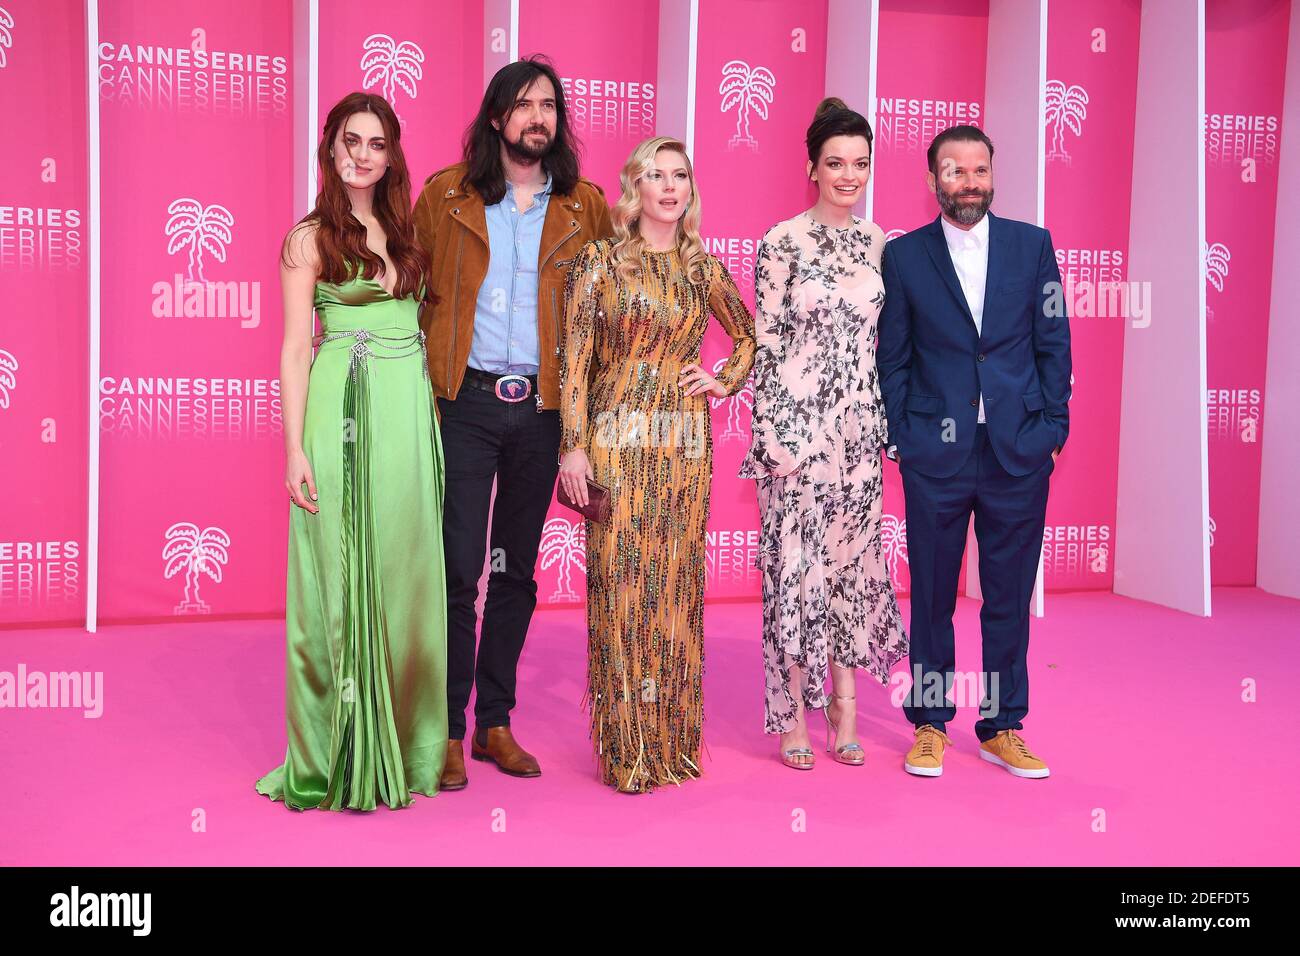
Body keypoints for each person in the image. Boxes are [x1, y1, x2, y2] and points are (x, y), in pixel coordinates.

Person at [412, 56, 613, 790]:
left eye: (550, 106)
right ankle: (447, 728)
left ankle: (496, 721)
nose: (539, 117)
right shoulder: (447, 196)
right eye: (524, 104)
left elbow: (607, 306)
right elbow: (413, 293)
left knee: (515, 572)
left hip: (541, 410)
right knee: (459, 568)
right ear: (496, 118)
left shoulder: (583, 205)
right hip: (464, 402)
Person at [257, 92, 447, 811]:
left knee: (404, 571)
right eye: (350, 141)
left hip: (406, 409)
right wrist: (295, 448)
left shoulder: (405, 231)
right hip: (346, 409)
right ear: (330, 150)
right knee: (344, 570)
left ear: (392, 154)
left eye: (376, 142)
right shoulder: (308, 238)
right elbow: (294, 349)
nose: (363, 154)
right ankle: (340, 752)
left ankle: (405, 743)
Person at [558, 136, 756, 794]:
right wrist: (573, 445)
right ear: (633, 187)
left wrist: (724, 379)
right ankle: (627, 750)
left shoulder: (703, 268)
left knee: (672, 595)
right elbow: (576, 362)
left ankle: (670, 744)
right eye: (655, 175)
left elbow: (749, 336)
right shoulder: (600, 261)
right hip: (616, 442)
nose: (669, 186)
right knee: (621, 591)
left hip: (681, 448)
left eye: (680, 175)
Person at [877, 124, 1071, 778]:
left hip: (1017, 450)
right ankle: (930, 723)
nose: (968, 182)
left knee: (1008, 595)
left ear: (993, 175)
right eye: (954, 171)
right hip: (938, 453)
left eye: (978, 170)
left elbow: (1054, 343)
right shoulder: (906, 259)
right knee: (931, 594)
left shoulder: (1032, 246)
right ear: (933, 180)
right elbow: (893, 360)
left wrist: (1052, 431)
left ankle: (1003, 724)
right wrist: (904, 436)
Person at [741, 98, 908, 771]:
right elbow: (767, 344)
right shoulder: (782, 240)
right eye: (836, 162)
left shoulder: (881, 245)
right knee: (795, 572)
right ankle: (789, 717)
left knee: (849, 570)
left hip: (859, 432)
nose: (849, 175)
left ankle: (843, 707)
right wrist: (773, 436)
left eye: (861, 163)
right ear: (812, 165)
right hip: (797, 435)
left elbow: (891, 344)